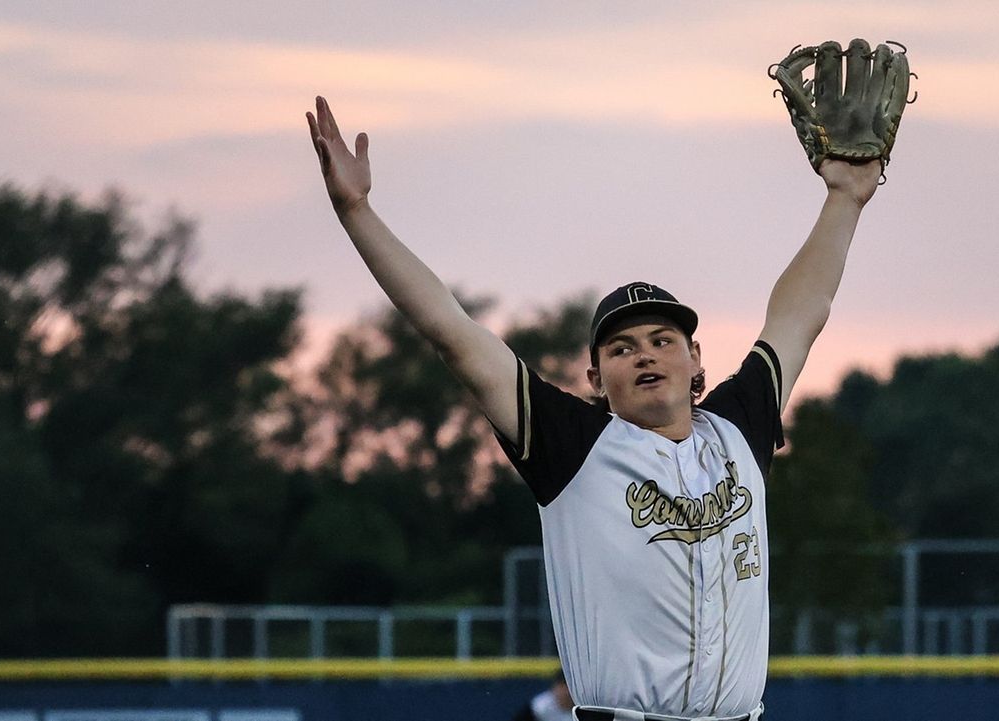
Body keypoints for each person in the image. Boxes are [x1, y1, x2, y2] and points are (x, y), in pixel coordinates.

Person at [306, 93, 881, 721]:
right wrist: (358, 212)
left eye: (663, 341)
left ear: (695, 361)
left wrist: (844, 199)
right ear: (596, 378)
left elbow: (799, 316)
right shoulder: (574, 448)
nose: (645, 355)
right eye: (622, 347)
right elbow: (454, 334)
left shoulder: (738, 431)